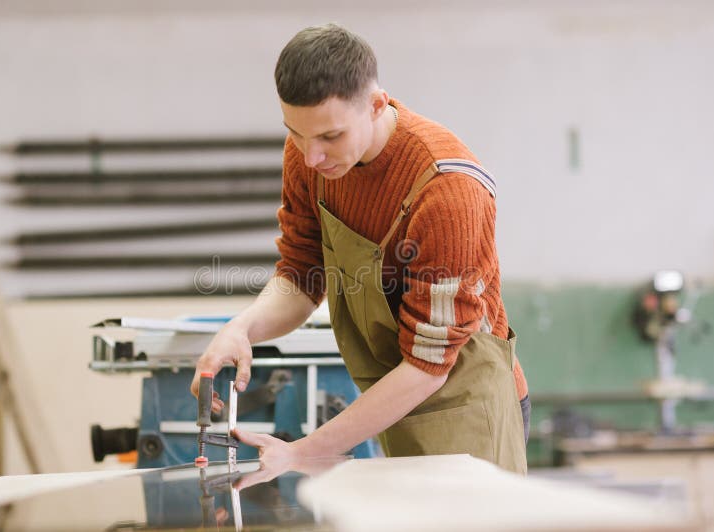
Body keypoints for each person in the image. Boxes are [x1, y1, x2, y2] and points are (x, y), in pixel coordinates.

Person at [191, 23, 529, 474]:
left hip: (467, 405)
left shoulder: (449, 190)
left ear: (375, 105)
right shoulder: (310, 157)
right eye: (296, 133)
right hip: (395, 401)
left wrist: (304, 451)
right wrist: (242, 329)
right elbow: (301, 273)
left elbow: (430, 366)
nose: (312, 157)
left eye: (330, 137)